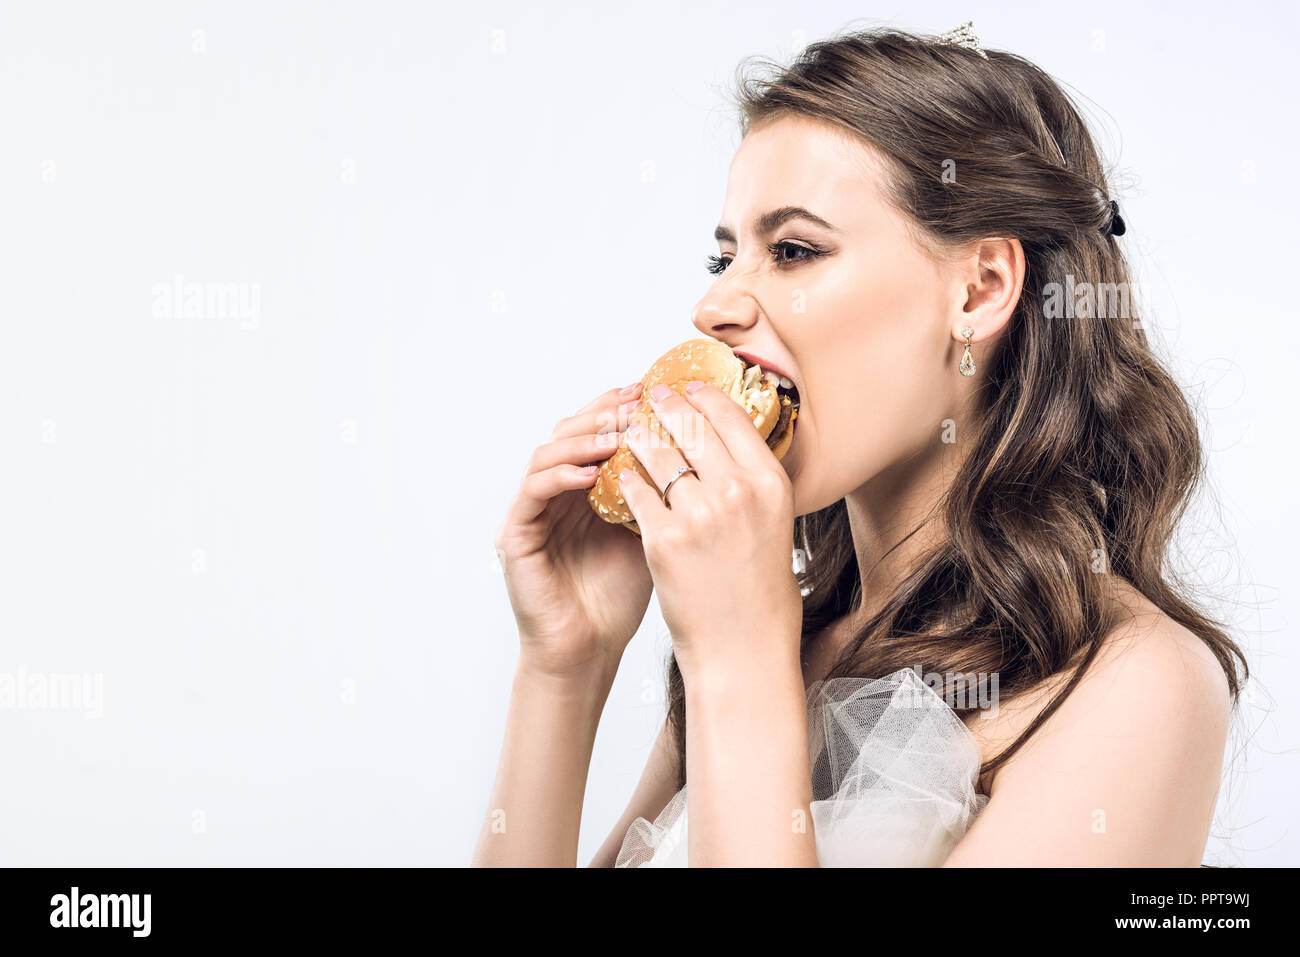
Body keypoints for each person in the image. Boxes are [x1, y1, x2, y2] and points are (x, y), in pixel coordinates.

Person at [472, 23, 1248, 867]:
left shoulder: (1139, 684)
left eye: (795, 250)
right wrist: (564, 666)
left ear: (980, 290)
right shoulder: (773, 635)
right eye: (723, 257)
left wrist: (736, 664)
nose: (713, 309)